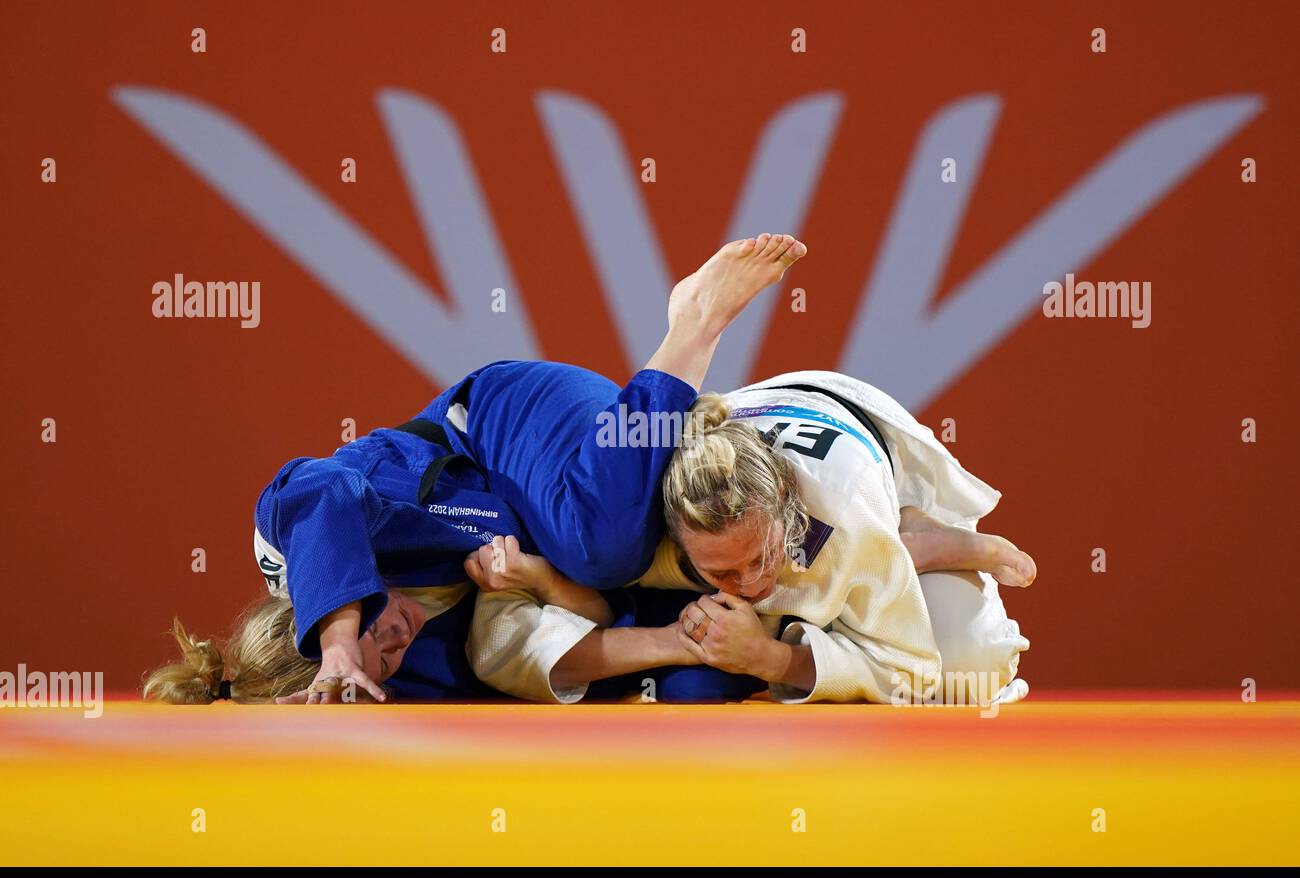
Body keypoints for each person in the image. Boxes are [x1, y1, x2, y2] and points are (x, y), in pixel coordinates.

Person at [143, 234, 809, 703]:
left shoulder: (294, 543)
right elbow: (546, 644)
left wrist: (340, 639)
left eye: (372, 633)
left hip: (505, 428)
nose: (395, 638)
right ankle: (880, 544)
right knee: (700, 674)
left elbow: (320, 487)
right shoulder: (399, 680)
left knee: (601, 543)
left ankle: (689, 328)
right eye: (383, 666)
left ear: (315, 609)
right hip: (568, 532)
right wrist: (673, 640)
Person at [468, 372, 1036, 706]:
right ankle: (896, 555)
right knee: (689, 683)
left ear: (787, 505)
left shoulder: (844, 519)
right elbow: (509, 643)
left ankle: (910, 539)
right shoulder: (634, 521)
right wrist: (537, 578)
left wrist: (770, 657)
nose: (753, 584)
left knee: (974, 669)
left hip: (849, 444)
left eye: (761, 558)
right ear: (675, 541)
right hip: (743, 442)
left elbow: (910, 672)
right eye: (721, 574)